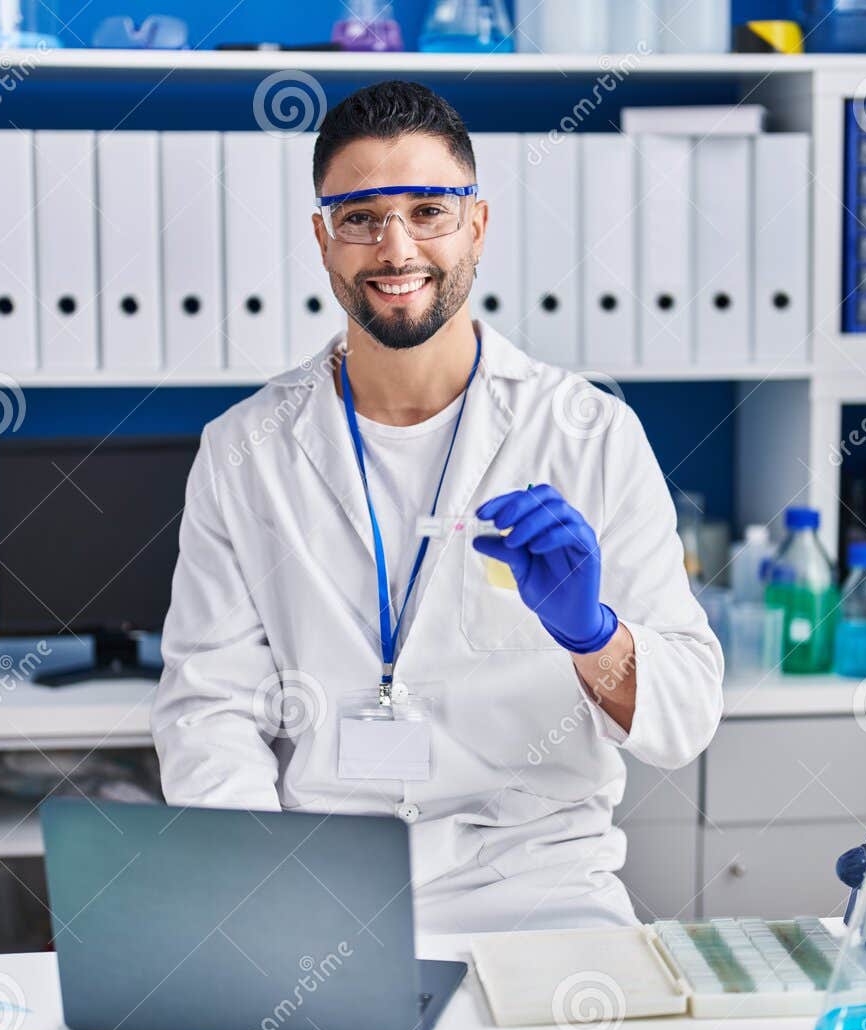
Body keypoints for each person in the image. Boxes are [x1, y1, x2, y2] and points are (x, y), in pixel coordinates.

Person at [153, 80, 723, 934]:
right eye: (361, 216)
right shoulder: (244, 450)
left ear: (477, 228)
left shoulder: (589, 432)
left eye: (428, 211)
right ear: (323, 238)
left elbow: (684, 719)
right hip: (321, 895)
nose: (396, 247)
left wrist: (593, 635)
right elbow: (210, 711)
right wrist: (261, 899)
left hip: (544, 892)